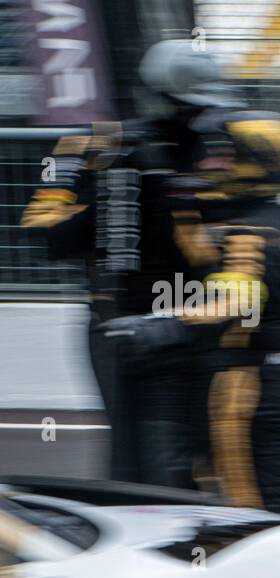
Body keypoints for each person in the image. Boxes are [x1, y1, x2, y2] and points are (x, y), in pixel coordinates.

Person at [21, 39, 241, 488]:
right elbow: (42, 232)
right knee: (130, 461)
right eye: (185, 107)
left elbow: (236, 234)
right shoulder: (93, 145)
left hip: (192, 322)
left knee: (195, 459)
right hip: (117, 321)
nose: (195, 119)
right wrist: (113, 195)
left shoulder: (216, 151)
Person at [175, 111, 280, 515]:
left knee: (245, 500)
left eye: (226, 155)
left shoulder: (249, 230)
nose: (212, 163)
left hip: (248, 381)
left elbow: (237, 303)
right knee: (275, 493)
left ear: (256, 161)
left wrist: (168, 322)